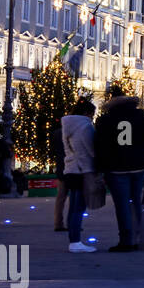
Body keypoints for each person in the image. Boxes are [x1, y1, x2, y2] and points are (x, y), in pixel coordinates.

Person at [94, 84, 144, 252]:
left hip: (116, 168)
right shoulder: (141, 116)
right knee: (135, 202)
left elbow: (100, 145)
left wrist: (101, 166)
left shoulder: (105, 119)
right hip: (137, 167)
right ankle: (138, 238)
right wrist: (142, 156)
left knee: (121, 205)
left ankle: (125, 240)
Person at [61, 99, 98, 253]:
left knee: (73, 207)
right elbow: (89, 149)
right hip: (82, 170)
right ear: (86, 113)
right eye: (92, 114)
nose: (92, 117)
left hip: (70, 169)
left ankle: (73, 238)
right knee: (78, 208)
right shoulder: (85, 126)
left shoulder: (68, 124)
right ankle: (75, 241)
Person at [52, 119, 67, 231]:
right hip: (72, 168)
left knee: (60, 198)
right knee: (76, 197)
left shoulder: (56, 133)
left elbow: (53, 150)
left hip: (61, 167)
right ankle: (73, 222)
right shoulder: (73, 132)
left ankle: (58, 223)